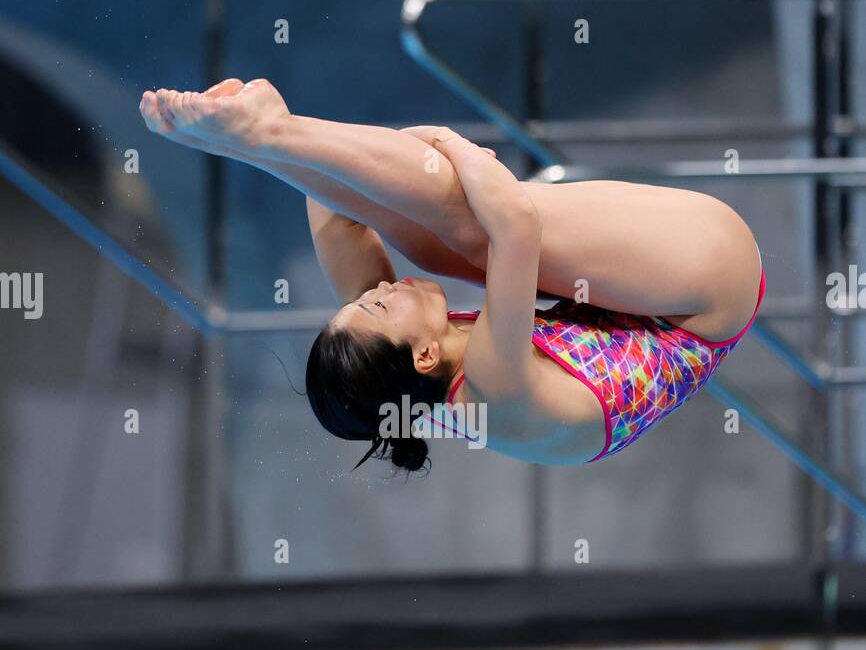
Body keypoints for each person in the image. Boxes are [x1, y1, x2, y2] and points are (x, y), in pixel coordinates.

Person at [140, 77, 763, 472]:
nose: (382, 289)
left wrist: (254, 153)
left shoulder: (404, 367)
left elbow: (342, 214)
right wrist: (453, 146)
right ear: (425, 355)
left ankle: (258, 135)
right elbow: (515, 222)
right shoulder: (490, 391)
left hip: (640, 302)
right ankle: (270, 127)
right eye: (377, 307)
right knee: (472, 232)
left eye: (364, 300)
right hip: (707, 287)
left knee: (440, 252)